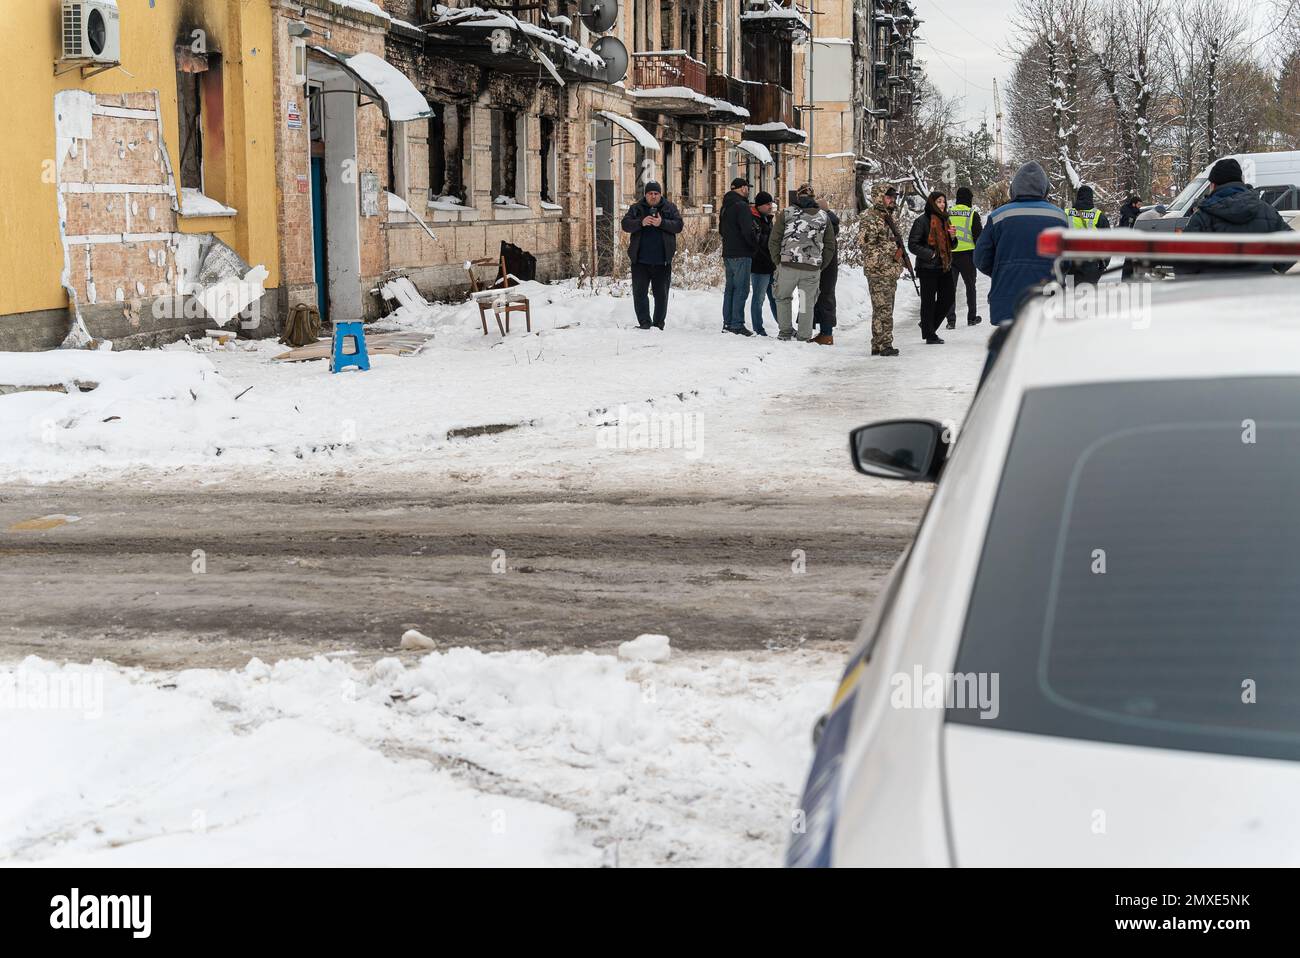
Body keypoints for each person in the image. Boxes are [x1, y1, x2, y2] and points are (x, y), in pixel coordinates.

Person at [973, 161, 1069, 325]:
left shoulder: (998, 217)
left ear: (1014, 188)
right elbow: (1067, 261)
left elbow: (980, 259)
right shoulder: (1059, 217)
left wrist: (1001, 271)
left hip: (1007, 296)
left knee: (1011, 348)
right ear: (1045, 188)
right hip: (1048, 297)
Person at [1183, 158, 1294, 273]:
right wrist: (1269, 269)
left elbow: (1184, 260)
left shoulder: (1202, 217)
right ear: (1241, 182)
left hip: (1214, 288)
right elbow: (1291, 249)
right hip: (1260, 288)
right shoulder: (1267, 211)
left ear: (1213, 185)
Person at [769, 183, 837, 342]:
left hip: (787, 266)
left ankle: (785, 332)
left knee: (783, 298)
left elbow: (774, 241)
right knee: (807, 303)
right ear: (814, 198)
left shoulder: (786, 213)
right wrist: (821, 265)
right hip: (811, 268)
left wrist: (778, 262)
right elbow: (830, 245)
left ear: (798, 197)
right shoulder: (823, 216)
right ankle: (804, 336)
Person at [621, 181, 684, 329]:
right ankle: (644, 323)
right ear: (645, 194)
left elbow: (679, 226)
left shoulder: (669, 208)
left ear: (660, 194)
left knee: (661, 295)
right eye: (650, 193)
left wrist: (662, 223)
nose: (653, 196)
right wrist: (640, 222)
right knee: (640, 293)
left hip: (662, 261)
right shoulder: (636, 208)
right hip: (640, 261)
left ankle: (658, 323)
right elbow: (625, 224)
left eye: (656, 193)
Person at [857, 182, 905, 356]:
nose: (892, 200)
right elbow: (867, 245)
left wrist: (899, 258)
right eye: (888, 196)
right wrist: (891, 252)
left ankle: (878, 343)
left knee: (884, 308)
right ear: (879, 197)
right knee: (883, 308)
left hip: (889, 270)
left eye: (893, 197)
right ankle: (885, 344)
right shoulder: (871, 217)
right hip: (878, 270)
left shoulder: (887, 216)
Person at [908, 190, 957, 344]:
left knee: (948, 297)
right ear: (932, 203)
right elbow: (912, 244)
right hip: (927, 267)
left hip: (944, 266)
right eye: (939, 202)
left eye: (943, 201)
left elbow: (952, 246)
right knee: (928, 302)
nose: (942, 204)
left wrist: (953, 237)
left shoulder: (946, 220)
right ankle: (930, 334)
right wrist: (931, 254)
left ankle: (927, 325)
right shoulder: (922, 221)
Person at [719, 176, 756, 336]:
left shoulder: (725, 205)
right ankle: (737, 324)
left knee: (730, 289)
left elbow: (721, 230)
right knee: (741, 290)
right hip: (741, 253)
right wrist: (754, 245)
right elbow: (747, 231)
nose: (748, 190)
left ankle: (728, 322)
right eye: (747, 188)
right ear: (742, 188)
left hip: (728, 252)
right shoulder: (741, 206)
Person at [945, 186, 983, 328]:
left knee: (950, 288)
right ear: (969, 199)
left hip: (950, 254)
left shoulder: (949, 213)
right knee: (970, 287)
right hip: (968, 255)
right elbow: (978, 236)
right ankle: (972, 318)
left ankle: (951, 321)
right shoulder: (972, 214)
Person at [1064, 185, 1111, 286]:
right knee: (1089, 296)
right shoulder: (1098, 216)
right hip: (1091, 263)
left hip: (1070, 263)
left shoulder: (1067, 213)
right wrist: (1103, 264)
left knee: (1071, 293)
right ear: (1091, 197)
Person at [811, 197, 841, 345]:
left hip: (824, 267)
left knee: (821, 298)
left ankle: (825, 334)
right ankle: (825, 332)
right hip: (829, 267)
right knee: (826, 297)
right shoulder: (832, 223)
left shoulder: (825, 225)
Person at [748, 191, 777, 336]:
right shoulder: (753, 220)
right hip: (759, 266)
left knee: (775, 298)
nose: (770, 206)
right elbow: (757, 244)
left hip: (771, 265)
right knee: (758, 299)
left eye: (771, 203)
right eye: (767, 204)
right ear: (759, 206)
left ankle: (785, 326)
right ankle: (758, 329)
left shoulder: (767, 219)